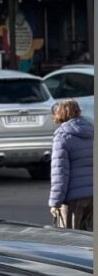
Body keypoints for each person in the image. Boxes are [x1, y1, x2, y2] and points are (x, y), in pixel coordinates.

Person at [49, 99, 94, 231]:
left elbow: (60, 174)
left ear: (60, 114)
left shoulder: (62, 137)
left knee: (70, 241)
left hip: (73, 199)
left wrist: (55, 203)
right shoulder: (92, 133)